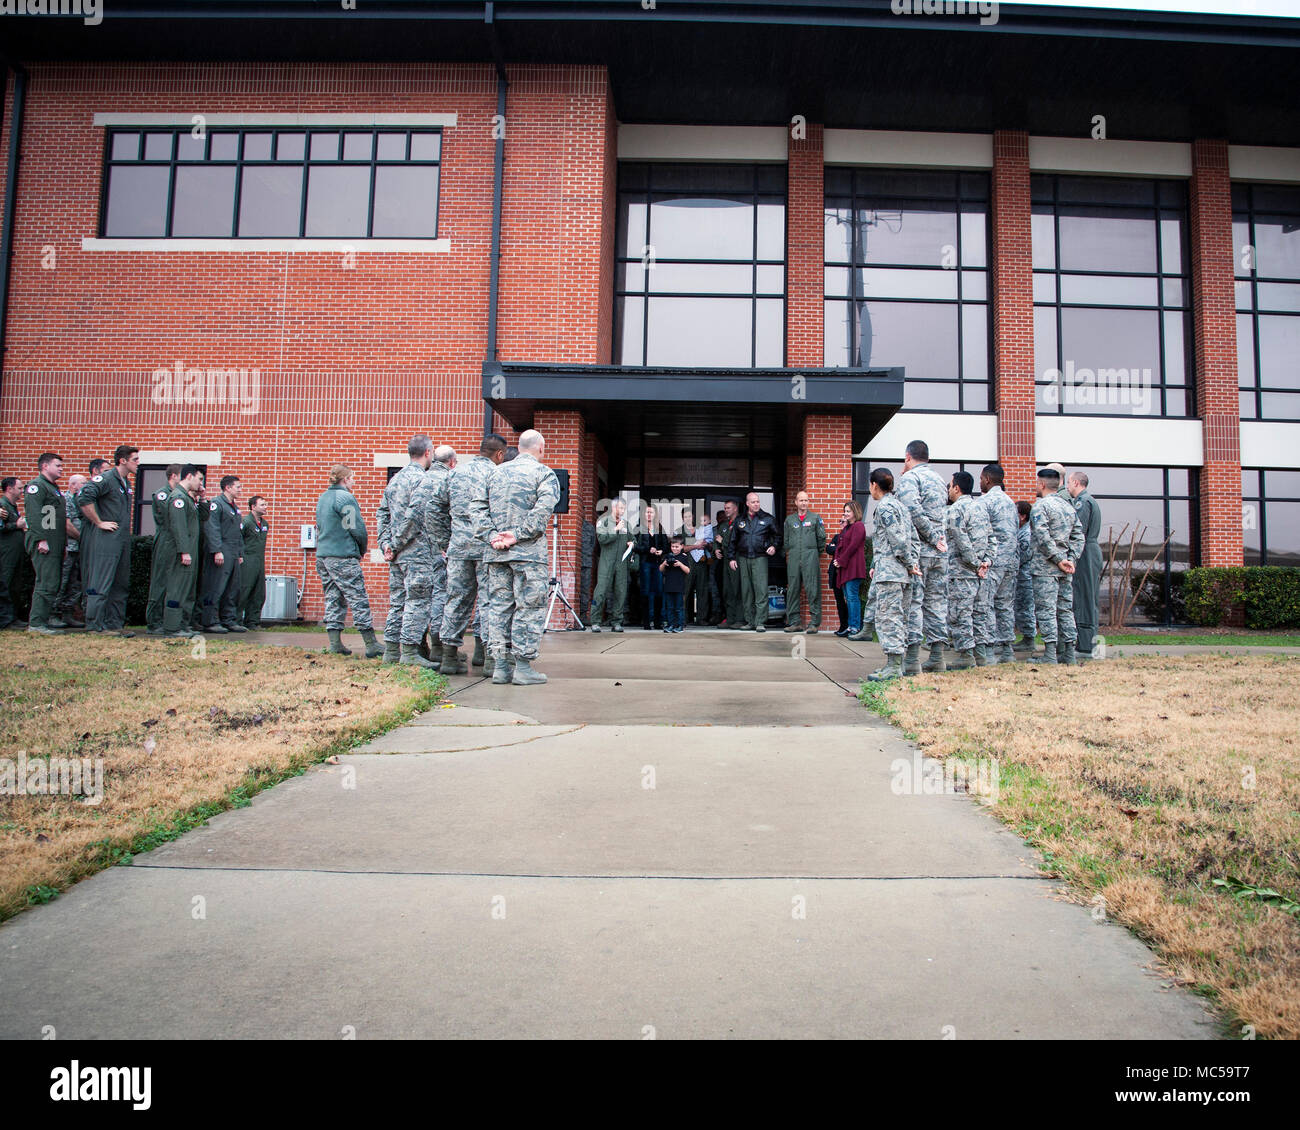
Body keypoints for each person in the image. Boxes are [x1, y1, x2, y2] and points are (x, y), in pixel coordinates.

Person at [471, 428, 560, 686]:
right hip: (529, 556)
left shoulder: (493, 473)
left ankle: (500, 667)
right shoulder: (544, 474)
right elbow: (543, 510)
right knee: (529, 608)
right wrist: (518, 535)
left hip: (496, 554)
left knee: (498, 608)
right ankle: (522, 667)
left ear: (518, 447)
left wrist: (491, 536)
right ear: (540, 447)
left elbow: (476, 508)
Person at [441, 433, 508, 669]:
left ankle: (449, 656)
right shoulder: (496, 474)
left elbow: (435, 507)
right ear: (499, 454)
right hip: (487, 547)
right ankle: (488, 658)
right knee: (490, 601)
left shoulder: (455, 473)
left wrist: (444, 541)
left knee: (456, 599)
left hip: (458, 547)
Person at [315, 464, 383, 658]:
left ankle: (335, 643)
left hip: (324, 555)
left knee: (333, 597)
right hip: (343, 555)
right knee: (358, 597)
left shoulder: (323, 498)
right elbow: (355, 528)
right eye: (352, 478)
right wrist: (361, 549)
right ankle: (371, 644)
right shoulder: (345, 498)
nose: (354, 481)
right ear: (345, 480)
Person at [377, 435, 434, 664]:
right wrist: (396, 543)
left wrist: (386, 544)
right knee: (417, 602)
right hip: (416, 554)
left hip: (397, 555)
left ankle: (391, 652)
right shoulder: (423, 480)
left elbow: (382, 514)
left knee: (398, 602)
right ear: (428, 452)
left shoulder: (395, 479)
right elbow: (415, 516)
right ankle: (409, 653)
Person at [896, 440, 949, 675]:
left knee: (914, 603)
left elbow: (911, 510)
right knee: (937, 603)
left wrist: (931, 536)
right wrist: (938, 538)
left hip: (921, 549)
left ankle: (913, 660)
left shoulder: (910, 478)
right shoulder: (938, 479)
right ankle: (937, 656)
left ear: (908, 457)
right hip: (940, 553)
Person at [401, 444, 455, 671]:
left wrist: (393, 543)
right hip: (435, 550)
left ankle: (423, 646)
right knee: (440, 596)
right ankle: (438, 647)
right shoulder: (448, 480)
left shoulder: (417, 479)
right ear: (452, 462)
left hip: (415, 550)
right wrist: (445, 543)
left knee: (419, 599)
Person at [866, 468, 922, 681]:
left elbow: (897, 541)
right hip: (901, 573)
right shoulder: (901, 506)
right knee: (899, 618)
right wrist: (912, 564)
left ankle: (894, 666)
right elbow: (914, 539)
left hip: (891, 573)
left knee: (889, 618)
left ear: (874, 485)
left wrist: (908, 563)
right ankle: (894, 664)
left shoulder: (885, 507)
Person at [78, 444, 138, 636]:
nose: (138, 463)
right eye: (135, 460)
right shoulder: (106, 478)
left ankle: (114, 624)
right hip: (106, 539)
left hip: (121, 539)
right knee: (101, 581)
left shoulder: (125, 482)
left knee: (120, 583)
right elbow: (84, 496)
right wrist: (98, 522)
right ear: (123, 461)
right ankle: (94, 625)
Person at [1028, 467, 1085, 665]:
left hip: (1046, 569)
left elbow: (1042, 537)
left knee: (1046, 610)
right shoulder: (1068, 507)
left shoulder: (1040, 507)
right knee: (1064, 610)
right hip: (1065, 569)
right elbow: (1079, 536)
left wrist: (1058, 558)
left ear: (1042, 484)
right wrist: (1070, 559)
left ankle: (1050, 654)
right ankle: (1069, 653)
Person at [944, 471, 992, 671]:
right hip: (980, 574)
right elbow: (992, 537)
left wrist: (975, 564)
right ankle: (980, 655)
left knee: (961, 613)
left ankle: (966, 655)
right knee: (979, 613)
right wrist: (986, 562)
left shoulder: (955, 510)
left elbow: (961, 540)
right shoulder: (981, 508)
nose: (948, 490)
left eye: (950, 486)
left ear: (956, 488)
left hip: (962, 573)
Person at [975, 463, 1020, 666]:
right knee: (1005, 606)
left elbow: (980, 532)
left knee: (986, 605)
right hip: (1011, 561)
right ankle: (1007, 650)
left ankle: (989, 650)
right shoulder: (1010, 502)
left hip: (993, 561)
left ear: (986, 479)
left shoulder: (985, 501)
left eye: (981, 478)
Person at [24, 453, 73, 635]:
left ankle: (42, 621)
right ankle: (36, 624)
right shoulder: (37, 486)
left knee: (52, 582)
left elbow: (52, 519)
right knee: (46, 582)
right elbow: (35, 515)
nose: (61, 468)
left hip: (55, 542)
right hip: (44, 543)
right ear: (45, 466)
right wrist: (41, 539)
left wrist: (63, 544)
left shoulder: (52, 488)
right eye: (57, 465)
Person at [160, 465, 204, 637]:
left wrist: (203, 499)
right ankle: (172, 627)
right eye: (199, 479)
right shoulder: (178, 498)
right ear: (189, 476)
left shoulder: (189, 498)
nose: (201, 483)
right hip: (180, 552)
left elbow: (201, 519)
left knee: (187, 589)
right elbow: (179, 527)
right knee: (176, 588)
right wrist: (184, 551)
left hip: (190, 551)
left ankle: (182, 625)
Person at [726, 491, 779, 631]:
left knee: (760, 590)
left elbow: (778, 536)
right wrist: (731, 558)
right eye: (753, 502)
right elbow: (733, 540)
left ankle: (760, 622)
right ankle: (750, 621)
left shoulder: (768, 518)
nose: (756, 504)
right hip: (743, 558)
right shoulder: (740, 520)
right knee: (747, 591)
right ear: (747, 503)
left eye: (758, 501)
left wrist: (774, 546)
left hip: (760, 558)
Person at [200, 474, 246, 633]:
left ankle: (228, 619)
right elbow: (212, 528)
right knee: (216, 586)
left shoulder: (234, 507)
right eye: (238, 487)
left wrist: (240, 553)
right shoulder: (216, 504)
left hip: (233, 551)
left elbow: (238, 533)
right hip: (222, 548)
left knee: (232, 588)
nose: (240, 490)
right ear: (227, 487)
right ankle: (210, 621)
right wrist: (217, 550)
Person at [1067, 471, 1103, 661]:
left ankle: (1086, 645)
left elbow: (1077, 529)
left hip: (1085, 552)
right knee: (1085, 597)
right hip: (1088, 550)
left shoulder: (1083, 502)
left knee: (1084, 598)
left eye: (1069, 482)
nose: (1067, 486)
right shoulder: (1088, 501)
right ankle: (1087, 643)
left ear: (1076, 482)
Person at [783, 490, 827, 633]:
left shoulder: (815, 518)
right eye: (801, 500)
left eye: (806, 500)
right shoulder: (790, 520)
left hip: (811, 556)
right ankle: (795, 622)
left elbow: (821, 538)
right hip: (794, 557)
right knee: (793, 589)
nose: (804, 503)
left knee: (812, 589)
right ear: (796, 502)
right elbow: (786, 541)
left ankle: (814, 623)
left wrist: (815, 552)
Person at [145, 464, 182, 635]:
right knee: (160, 581)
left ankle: (169, 620)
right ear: (174, 476)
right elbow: (170, 516)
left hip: (176, 541)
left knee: (173, 584)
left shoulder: (180, 496)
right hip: (166, 540)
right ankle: (154, 622)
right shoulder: (163, 494)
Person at [589, 496, 632, 632]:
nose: (622, 510)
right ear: (613, 508)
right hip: (606, 562)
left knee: (620, 592)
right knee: (601, 591)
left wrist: (632, 543)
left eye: (624, 508)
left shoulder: (626, 524)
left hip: (621, 563)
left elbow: (633, 539)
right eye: (620, 508)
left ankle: (617, 621)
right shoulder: (603, 521)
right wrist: (616, 529)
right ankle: (595, 621)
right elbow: (602, 539)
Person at [55, 472, 87, 627]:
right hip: (69, 547)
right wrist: (83, 539)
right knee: (62, 581)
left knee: (74, 584)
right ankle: (53, 614)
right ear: (72, 485)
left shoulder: (81, 501)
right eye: (82, 483)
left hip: (78, 549)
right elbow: (66, 525)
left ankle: (68, 613)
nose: (85, 485)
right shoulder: (65, 500)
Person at [237, 495, 270, 630]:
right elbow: (238, 538)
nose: (265, 507)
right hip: (247, 559)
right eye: (262, 505)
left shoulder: (265, 524)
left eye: (265, 504)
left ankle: (253, 621)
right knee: (244, 590)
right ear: (253, 507)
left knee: (259, 593)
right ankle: (236, 619)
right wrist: (239, 555)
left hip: (259, 560)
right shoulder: (246, 522)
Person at [836, 502, 868, 639]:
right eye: (845, 511)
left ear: (855, 511)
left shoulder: (858, 526)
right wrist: (837, 560)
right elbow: (840, 545)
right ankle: (850, 626)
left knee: (852, 597)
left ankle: (855, 627)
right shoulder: (847, 528)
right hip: (845, 568)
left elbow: (853, 546)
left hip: (854, 567)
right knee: (848, 598)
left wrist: (841, 560)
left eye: (848, 511)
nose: (846, 513)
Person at [634, 504, 669, 630]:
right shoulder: (639, 528)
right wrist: (648, 549)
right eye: (647, 512)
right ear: (643, 514)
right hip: (645, 564)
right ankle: (646, 622)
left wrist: (661, 551)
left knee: (659, 591)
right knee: (646, 592)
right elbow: (635, 546)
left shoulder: (660, 528)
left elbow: (666, 546)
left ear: (655, 515)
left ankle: (658, 621)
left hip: (658, 564)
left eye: (651, 512)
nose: (649, 514)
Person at [0, 476, 27, 630]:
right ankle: (5, 619)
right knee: (7, 584)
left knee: (16, 585)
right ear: (9, 489)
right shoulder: (2, 506)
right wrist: (16, 525)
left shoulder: (12, 506)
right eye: (19, 488)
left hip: (15, 552)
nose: (22, 491)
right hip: (6, 553)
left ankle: (13, 617)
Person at [681, 508, 712, 626]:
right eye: (685, 517)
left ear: (693, 517)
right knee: (686, 590)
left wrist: (706, 544)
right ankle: (683, 618)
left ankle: (701, 618)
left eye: (690, 516)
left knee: (702, 590)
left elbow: (710, 545)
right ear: (682, 518)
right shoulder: (680, 531)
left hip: (702, 563)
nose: (688, 518)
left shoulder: (701, 529)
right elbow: (681, 548)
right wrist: (695, 546)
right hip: (687, 563)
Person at [714, 500, 743, 627]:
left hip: (736, 560)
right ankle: (730, 618)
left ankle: (740, 619)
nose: (726, 510)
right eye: (725, 508)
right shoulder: (724, 525)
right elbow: (717, 539)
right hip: (725, 561)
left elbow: (738, 543)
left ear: (735, 509)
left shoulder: (741, 523)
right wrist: (716, 549)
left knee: (737, 589)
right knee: (727, 590)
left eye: (728, 508)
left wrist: (723, 541)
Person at [1013, 500, 1036, 651]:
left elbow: (1023, 556)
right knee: (1020, 607)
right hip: (1020, 577)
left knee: (1026, 607)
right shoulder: (1020, 531)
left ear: (1022, 516)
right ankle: (1027, 637)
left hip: (1025, 578)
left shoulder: (1026, 534)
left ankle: (1029, 639)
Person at [659, 534, 692, 633]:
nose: (674, 549)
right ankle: (671, 625)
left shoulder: (683, 557)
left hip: (679, 587)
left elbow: (688, 571)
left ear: (682, 546)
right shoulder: (668, 556)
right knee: (669, 608)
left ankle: (680, 625)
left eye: (677, 547)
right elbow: (660, 569)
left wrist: (680, 564)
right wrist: (664, 563)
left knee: (679, 608)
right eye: (672, 546)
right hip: (669, 586)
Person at [825, 523, 848, 634]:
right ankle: (842, 626)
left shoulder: (851, 537)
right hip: (835, 573)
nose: (842, 524)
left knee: (849, 599)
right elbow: (828, 549)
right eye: (841, 522)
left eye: (844, 522)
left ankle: (850, 625)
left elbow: (845, 551)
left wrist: (836, 548)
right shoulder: (836, 537)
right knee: (839, 601)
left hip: (846, 572)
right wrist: (835, 548)